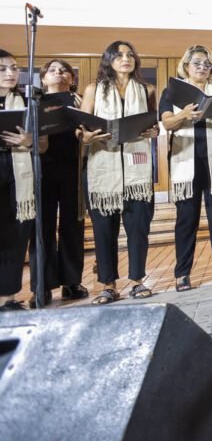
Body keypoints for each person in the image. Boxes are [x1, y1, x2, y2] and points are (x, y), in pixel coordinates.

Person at [79, 41, 158, 304]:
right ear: (109, 60)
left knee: (138, 229)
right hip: (103, 167)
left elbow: (152, 124)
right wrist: (86, 136)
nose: (126, 59)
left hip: (137, 169)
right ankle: (108, 285)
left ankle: (137, 281)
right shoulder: (94, 89)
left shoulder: (147, 90)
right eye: (120, 55)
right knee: (104, 230)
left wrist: (154, 131)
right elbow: (80, 128)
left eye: (130, 55)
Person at [160, 45, 212, 290]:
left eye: (207, 64)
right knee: (186, 220)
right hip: (186, 161)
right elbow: (167, 123)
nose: (203, 68)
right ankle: (182, 274)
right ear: (186, 66)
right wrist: (183, 114)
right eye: (197, 63)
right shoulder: (173, 91)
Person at [30, 59, 87, 306]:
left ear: (72, 79)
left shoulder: (81, 101)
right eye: (52, 70)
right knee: (41, 229)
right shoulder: (35, 102)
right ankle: (41, 286)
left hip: (73, 168)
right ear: (43, 78)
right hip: (42, 169)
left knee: (72, 226)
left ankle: (71, 282)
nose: (58, 73)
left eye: (64, 70)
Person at [0, 50, 44, 310]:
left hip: (17, 170)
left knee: (16, 236)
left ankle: (8, 298)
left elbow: (42, 142)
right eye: (3, 68)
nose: (10, 73)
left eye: (14, 68)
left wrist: (29, 141)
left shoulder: (27, 102)